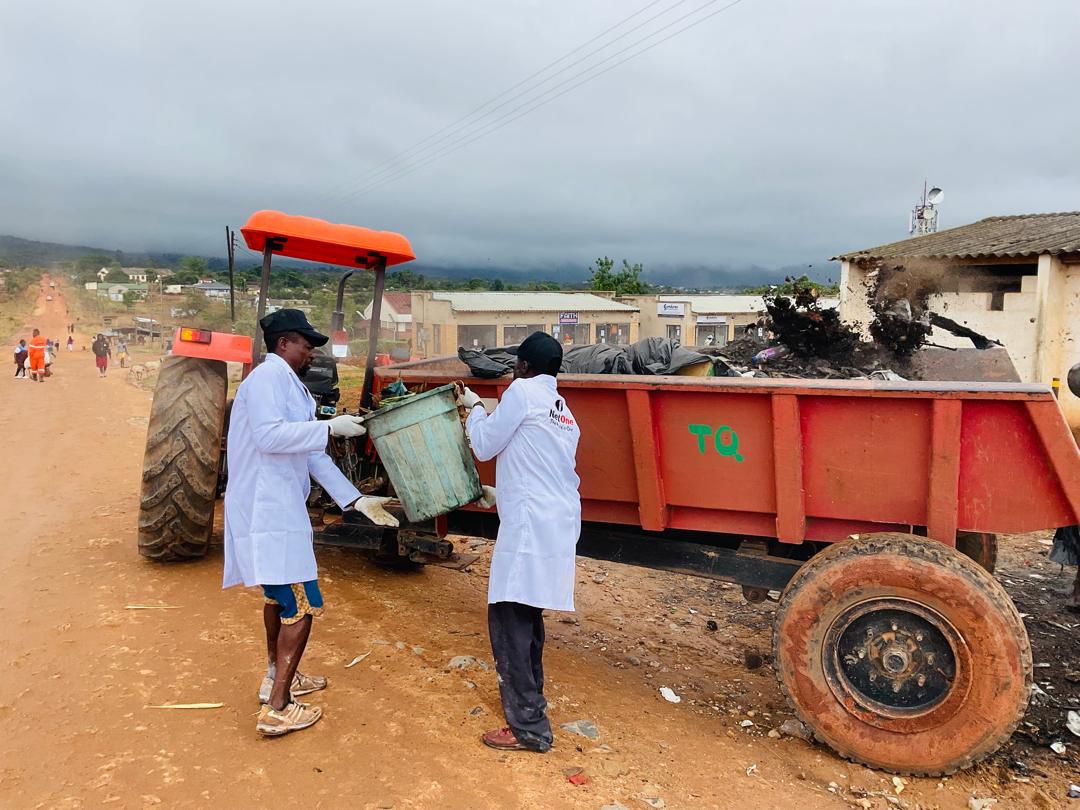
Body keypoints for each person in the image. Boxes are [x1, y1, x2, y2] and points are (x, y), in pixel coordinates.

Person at [222, 309, 399, 737]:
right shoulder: (266, 380)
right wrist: (327, 428)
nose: (312, 353)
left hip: (279, 509)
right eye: (306, 345)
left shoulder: (290, 385)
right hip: (270, 510)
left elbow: (312, 454)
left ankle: (276, 678)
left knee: (278, 599)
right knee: (302, 604)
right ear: (284, 343)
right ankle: (278, 707)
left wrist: (356, 499)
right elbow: (269, 436)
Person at [459, 331, 581, 753]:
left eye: (516, 366)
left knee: (508, 619)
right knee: (527, 617)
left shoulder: (522, 392)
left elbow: (485, 444)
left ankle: (528, 727)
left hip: (531, 525)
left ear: (524, 367)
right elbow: (534, 457)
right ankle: (531, 713)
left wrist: (475, 408)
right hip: (556, 522)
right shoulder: (563, 410)